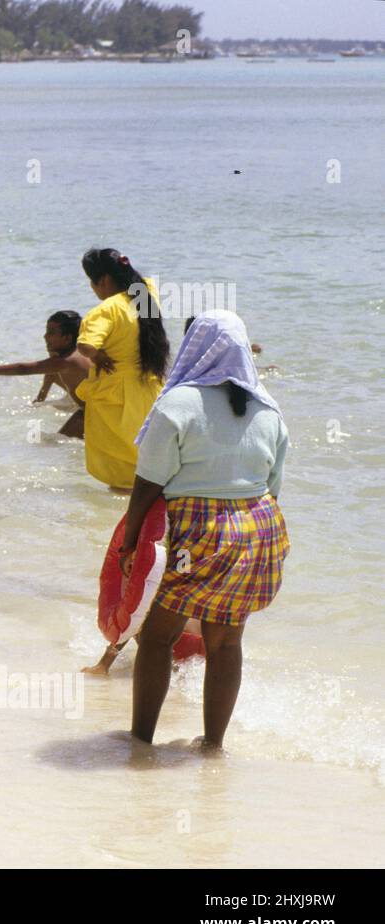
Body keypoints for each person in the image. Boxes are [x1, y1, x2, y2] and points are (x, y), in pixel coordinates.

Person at [117, 310, 289, 749]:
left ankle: (141, 741)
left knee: (157, 636)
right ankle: (213, 745)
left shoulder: (177, 404)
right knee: (226, 642)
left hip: (197, 527)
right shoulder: (268, 410)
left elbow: (149, 481)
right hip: (260, 528)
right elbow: (273, 485)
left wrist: (130, 540)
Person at [75, 248, 169, 489]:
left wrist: (98, 355)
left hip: (116, 396)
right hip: (150, 386)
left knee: (121, 471)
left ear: (103, 280)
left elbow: (85, 345)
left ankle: (122, 520)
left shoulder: (106, 310)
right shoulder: (146, 293)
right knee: (147, 460)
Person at [0, 310, 91, 438]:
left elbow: (23, 369)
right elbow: (49, 374)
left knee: (53, 444)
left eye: (51, 333)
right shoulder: (83, 352)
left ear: (67, 338)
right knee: (63, 442)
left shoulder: (66, 361)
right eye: (46, 331)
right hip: (93, 410)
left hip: (93, 412)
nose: (45, 337)